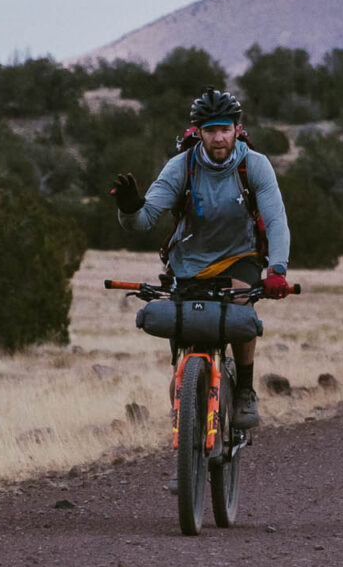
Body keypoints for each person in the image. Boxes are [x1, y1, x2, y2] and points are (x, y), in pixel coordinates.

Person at [110, 88, 292, 429]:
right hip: (188, 262)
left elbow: (277, 220)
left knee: (241, 302)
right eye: (211, 131)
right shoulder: (182, 167)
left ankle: (245, 392)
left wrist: (277, 270)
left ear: (237, 129)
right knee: (183, 336)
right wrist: (129, 208)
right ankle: (185, 431)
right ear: (199, 133)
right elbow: (144, 220)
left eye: (225, 129)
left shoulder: (254, 166)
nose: (219, 137)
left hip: (241, 255)